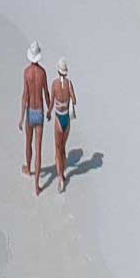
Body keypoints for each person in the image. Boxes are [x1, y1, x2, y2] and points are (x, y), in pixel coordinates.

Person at [19, 42, 50, 194]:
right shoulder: (43, 73)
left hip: (30, 112)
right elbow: (46, 94)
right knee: (38, 149)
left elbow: (25, 96)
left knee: (28, 143)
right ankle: (37, 185)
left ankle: (29, 169)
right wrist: (49, 110)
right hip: (40, 112)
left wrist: (21, 117)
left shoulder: (26, 73)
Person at [49, 59, 79, 192]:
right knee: (63, 148)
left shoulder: (54, 84)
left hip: (58, 118)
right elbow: (75, 100)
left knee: (57, 148)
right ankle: (63, 173)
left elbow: (51, 103)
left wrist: (48, 113)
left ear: (58, 71)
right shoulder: (69, 83)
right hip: (66, 118)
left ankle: (60, 177)